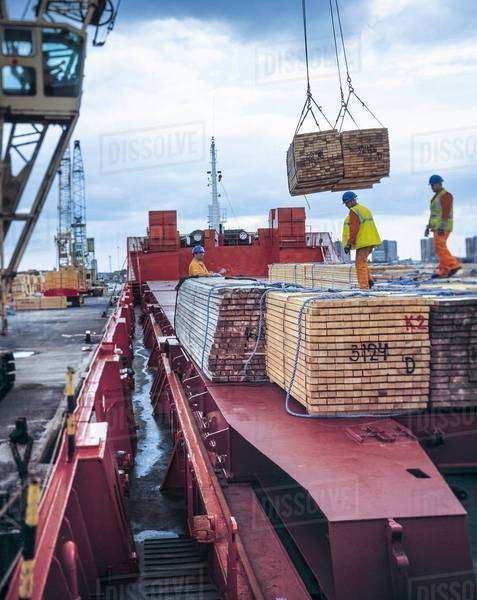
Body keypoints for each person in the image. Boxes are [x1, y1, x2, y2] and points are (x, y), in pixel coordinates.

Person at [341, 191, 382, 290]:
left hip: (364, 241)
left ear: (351, 201)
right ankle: (369, 281)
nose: (346, 206)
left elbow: (354, 229)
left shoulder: (354, 211)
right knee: (363, 262)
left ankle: (364, 287)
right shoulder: (364, 209)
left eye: (346, 203)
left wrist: (349, 244)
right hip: (370, 240)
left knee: (359, 264)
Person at [424, 175, 461, 278]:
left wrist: (441, 226)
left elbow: (446, 213)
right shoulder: (435, 197)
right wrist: (428, 227)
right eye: (431, 185)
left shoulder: (446, 196)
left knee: (440, 247)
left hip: (443, 227)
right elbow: (434, 215)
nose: (432, 187)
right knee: (438, 248)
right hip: (437, 227)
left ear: (440, 184)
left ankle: (453, 265)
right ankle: (444, 270)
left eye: (433, 185)